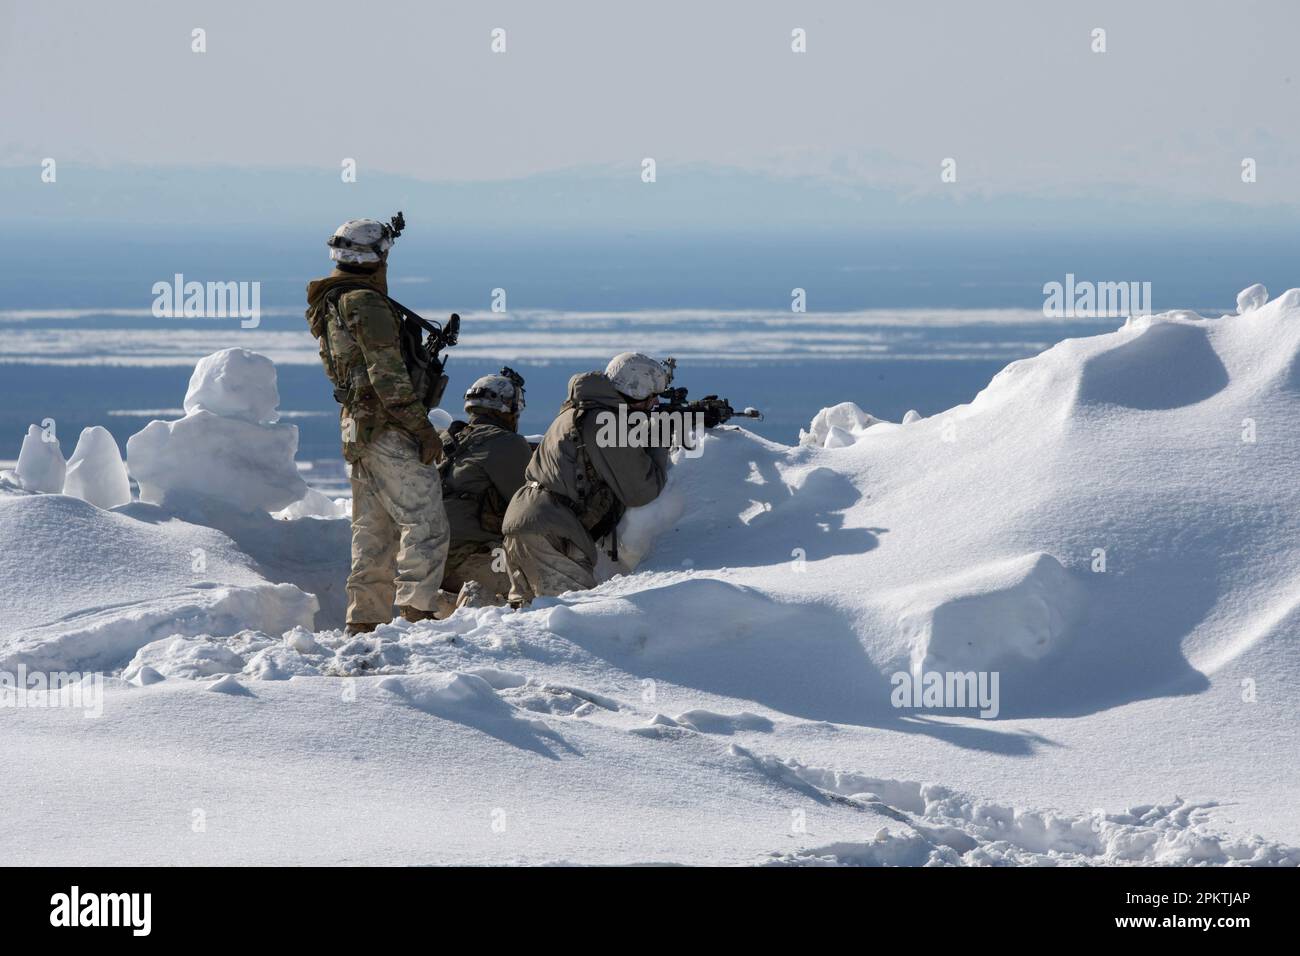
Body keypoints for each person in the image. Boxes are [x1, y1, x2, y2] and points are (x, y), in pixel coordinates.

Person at [305, 217, 449, 634]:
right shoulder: (364, 304)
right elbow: (387, 376)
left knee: (373, 527)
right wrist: (422, 430)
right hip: (387, 426)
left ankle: (365, 619)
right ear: (378, 256)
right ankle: (417, 615)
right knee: (425, 520)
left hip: (357, 427)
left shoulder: (331, 301)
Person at [501, 352, 671, 605]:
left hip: (526, 522)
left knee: (527, 619)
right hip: (551, 531)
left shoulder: (581, 410)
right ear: (634, 392)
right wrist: (660, 437)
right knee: (572, 620)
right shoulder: (605, 423)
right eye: (649, 398)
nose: (652, 404)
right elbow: (641, 491)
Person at [435, 368, 533, 613]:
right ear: (507, 410)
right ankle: (478, 601)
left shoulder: (449, 441)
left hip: (429, 560)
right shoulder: (507, 443)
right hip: (469, 560)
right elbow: (526, 505)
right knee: (537, 581)